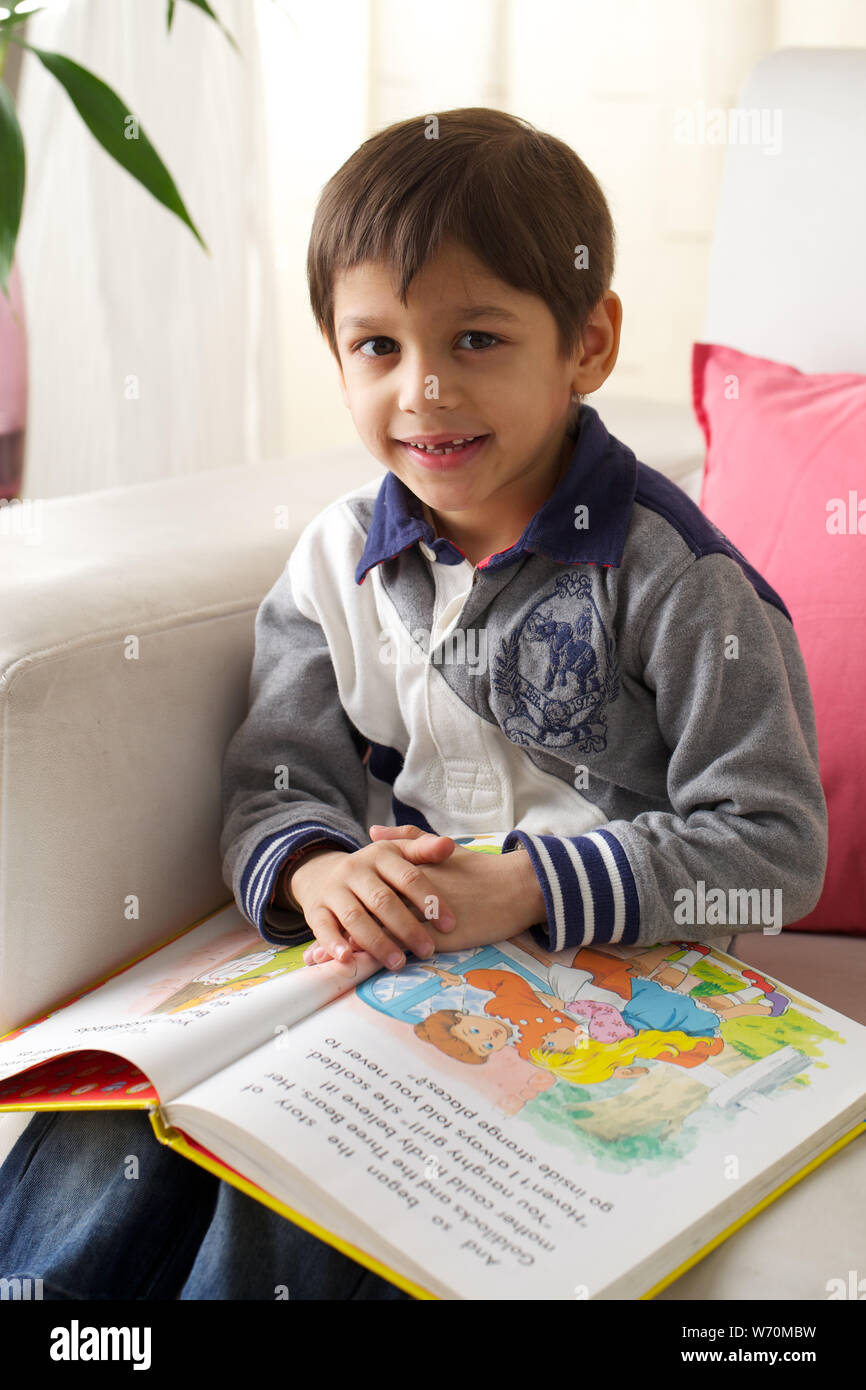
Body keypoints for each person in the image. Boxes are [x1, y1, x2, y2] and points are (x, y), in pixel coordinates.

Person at [0, 106, 827, 1300]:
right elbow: (277, 782)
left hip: (611, 996)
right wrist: (315, 871)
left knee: (295, 1179)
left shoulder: (675, 581)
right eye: (376, 346)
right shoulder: (332, 564)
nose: (424, 388)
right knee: (108, 1126)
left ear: (586, 344)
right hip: (383, 961)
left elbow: (773, 844)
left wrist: (526, 886)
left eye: (475, 337)